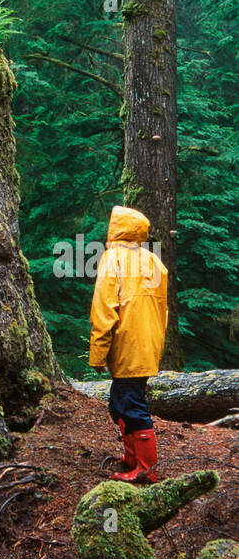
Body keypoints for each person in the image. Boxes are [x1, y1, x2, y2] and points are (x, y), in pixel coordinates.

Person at [89, 205, 169, 483]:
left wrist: (98, 355)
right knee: (120, 402)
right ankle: (132, 458)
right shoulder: (154, 261)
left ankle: (145, 470)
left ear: (115, 231)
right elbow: (164, 310)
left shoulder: (113, 259)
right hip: (148, 345)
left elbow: (104, 310)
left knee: (131, 405)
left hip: (127, 346)